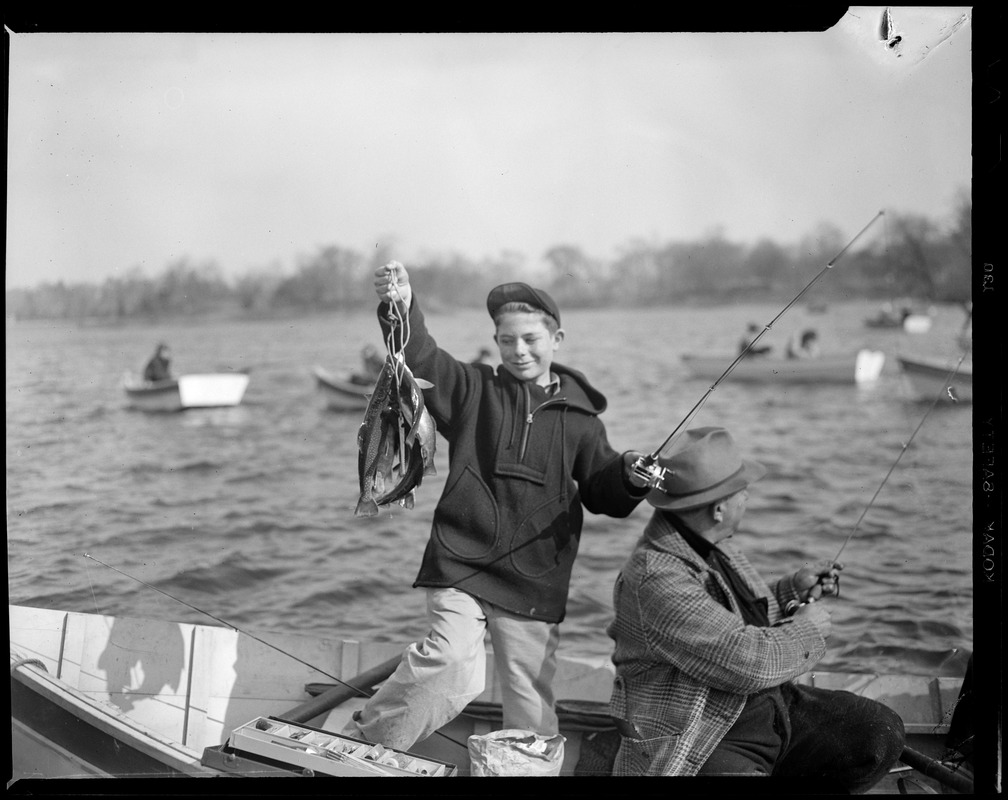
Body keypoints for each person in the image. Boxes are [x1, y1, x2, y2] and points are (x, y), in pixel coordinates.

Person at [342, 261, 649, 752]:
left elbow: (601, 489)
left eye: (530, 338)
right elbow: (419, 357)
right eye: (507, 340)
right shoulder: (473, 389)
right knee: (447, 662)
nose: (518, 350)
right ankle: (359, 744)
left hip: (533, 580)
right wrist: (400, 303)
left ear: (557, 338)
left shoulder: (583, 420)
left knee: (529, 702)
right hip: (461, 563)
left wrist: (630, 473)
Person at [606, 426, 906, 790]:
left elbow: (733, 622)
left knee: (878, 732)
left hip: (764, 710)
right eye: (741, 492)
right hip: (700, 731)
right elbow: (748, 662)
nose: (747, 498)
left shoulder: (712, 543)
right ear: (719, 509)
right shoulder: (657, 577)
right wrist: (807, 629)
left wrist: (791, 592)